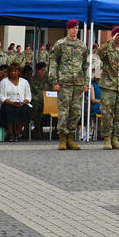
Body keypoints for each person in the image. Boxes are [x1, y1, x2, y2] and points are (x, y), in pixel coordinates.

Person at [48, 19, 88, 151]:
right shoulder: (60, 44)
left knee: (76, 112)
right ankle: (62, 139)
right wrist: (54, 81)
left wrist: (86, 82)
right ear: (68, 29)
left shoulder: (82, 45)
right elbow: (53, 63)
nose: (75, 30)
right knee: (64, 111)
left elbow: (85, 66)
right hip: (64, 83)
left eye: (77, 28)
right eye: (73, 28)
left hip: (78, 83)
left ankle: (71, 138)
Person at [0, 62, 32, 142]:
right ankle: (10, 133)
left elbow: (28, 96)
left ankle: (17, 132)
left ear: (19, 72)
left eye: (16, 71)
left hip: (21, 103)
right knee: (8, 109)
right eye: (11, 71)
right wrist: (11, 103)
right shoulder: (4, 82)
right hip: (8, 103)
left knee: (26, 109)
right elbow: (1, 96)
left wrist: (23, 102)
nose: (13, 72)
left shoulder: (24, 82)